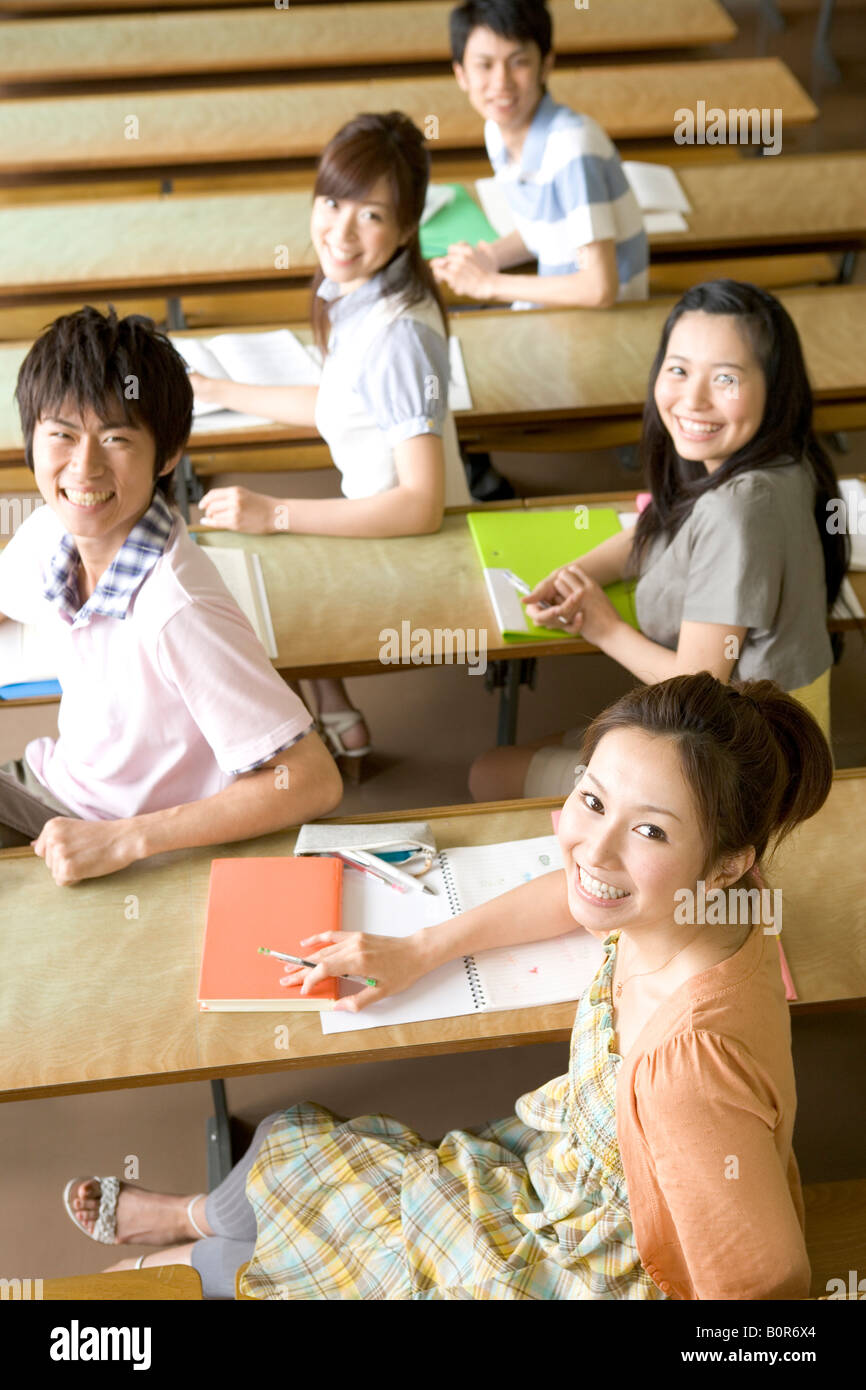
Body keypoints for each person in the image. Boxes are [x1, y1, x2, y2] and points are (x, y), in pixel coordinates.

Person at [63, 672, 829, 1300]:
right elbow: (577, 890)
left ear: (729, 859)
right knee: (283, 1149)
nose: (593, 848)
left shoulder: (685, 1067)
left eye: (650, 829)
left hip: (596, 1267)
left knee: (265, 1265)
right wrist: (420, 948)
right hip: (561, 1182)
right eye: (591, 800)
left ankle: (173, 1260)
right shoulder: (706, 899)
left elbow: (770, 1286)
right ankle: (190, 1216)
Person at [469, 279, 849, 801]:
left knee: (490, 772)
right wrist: (577, 573)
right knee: (549, 750)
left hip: (734, 771)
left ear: (774, 385)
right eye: (678, 369)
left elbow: (700, 683)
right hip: (780, 734)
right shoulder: (781, 456)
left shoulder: (737, 510)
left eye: (725, 378)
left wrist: (600, 626)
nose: (693, 399)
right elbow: (666, 526)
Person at [0, 307, 342, 884]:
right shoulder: (51, 531)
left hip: (133, 842)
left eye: (115, 438)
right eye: (61, 434)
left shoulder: (177, 608)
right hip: (59, 784)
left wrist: (125, 840)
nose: (83, 468)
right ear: (31, 437)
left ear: (170, 452)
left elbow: (310, 778)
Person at [191, 112, 471, 775]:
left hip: (420, 544)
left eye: (370, 215)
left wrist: (278, 513)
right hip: (380, 516)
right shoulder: (364, 292)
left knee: (234, 577)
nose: (341, 229)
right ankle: (328, 705)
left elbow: (422, 505)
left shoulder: (400, 334)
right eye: (332, 202)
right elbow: (339, 403)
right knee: (246, 553)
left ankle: (295, 750)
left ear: (406, 228)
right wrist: (218, 388)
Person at [431, 0, 648, 308]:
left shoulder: (573, 147)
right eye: (484, 65)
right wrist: (488, 258)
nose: (501, 82)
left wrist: (489, 284)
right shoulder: (496, 131)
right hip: (561, 307)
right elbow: (545, 230)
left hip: (601, 324)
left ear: (546, 65)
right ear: (461, 74)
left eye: (518, 62)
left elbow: (600, 289)